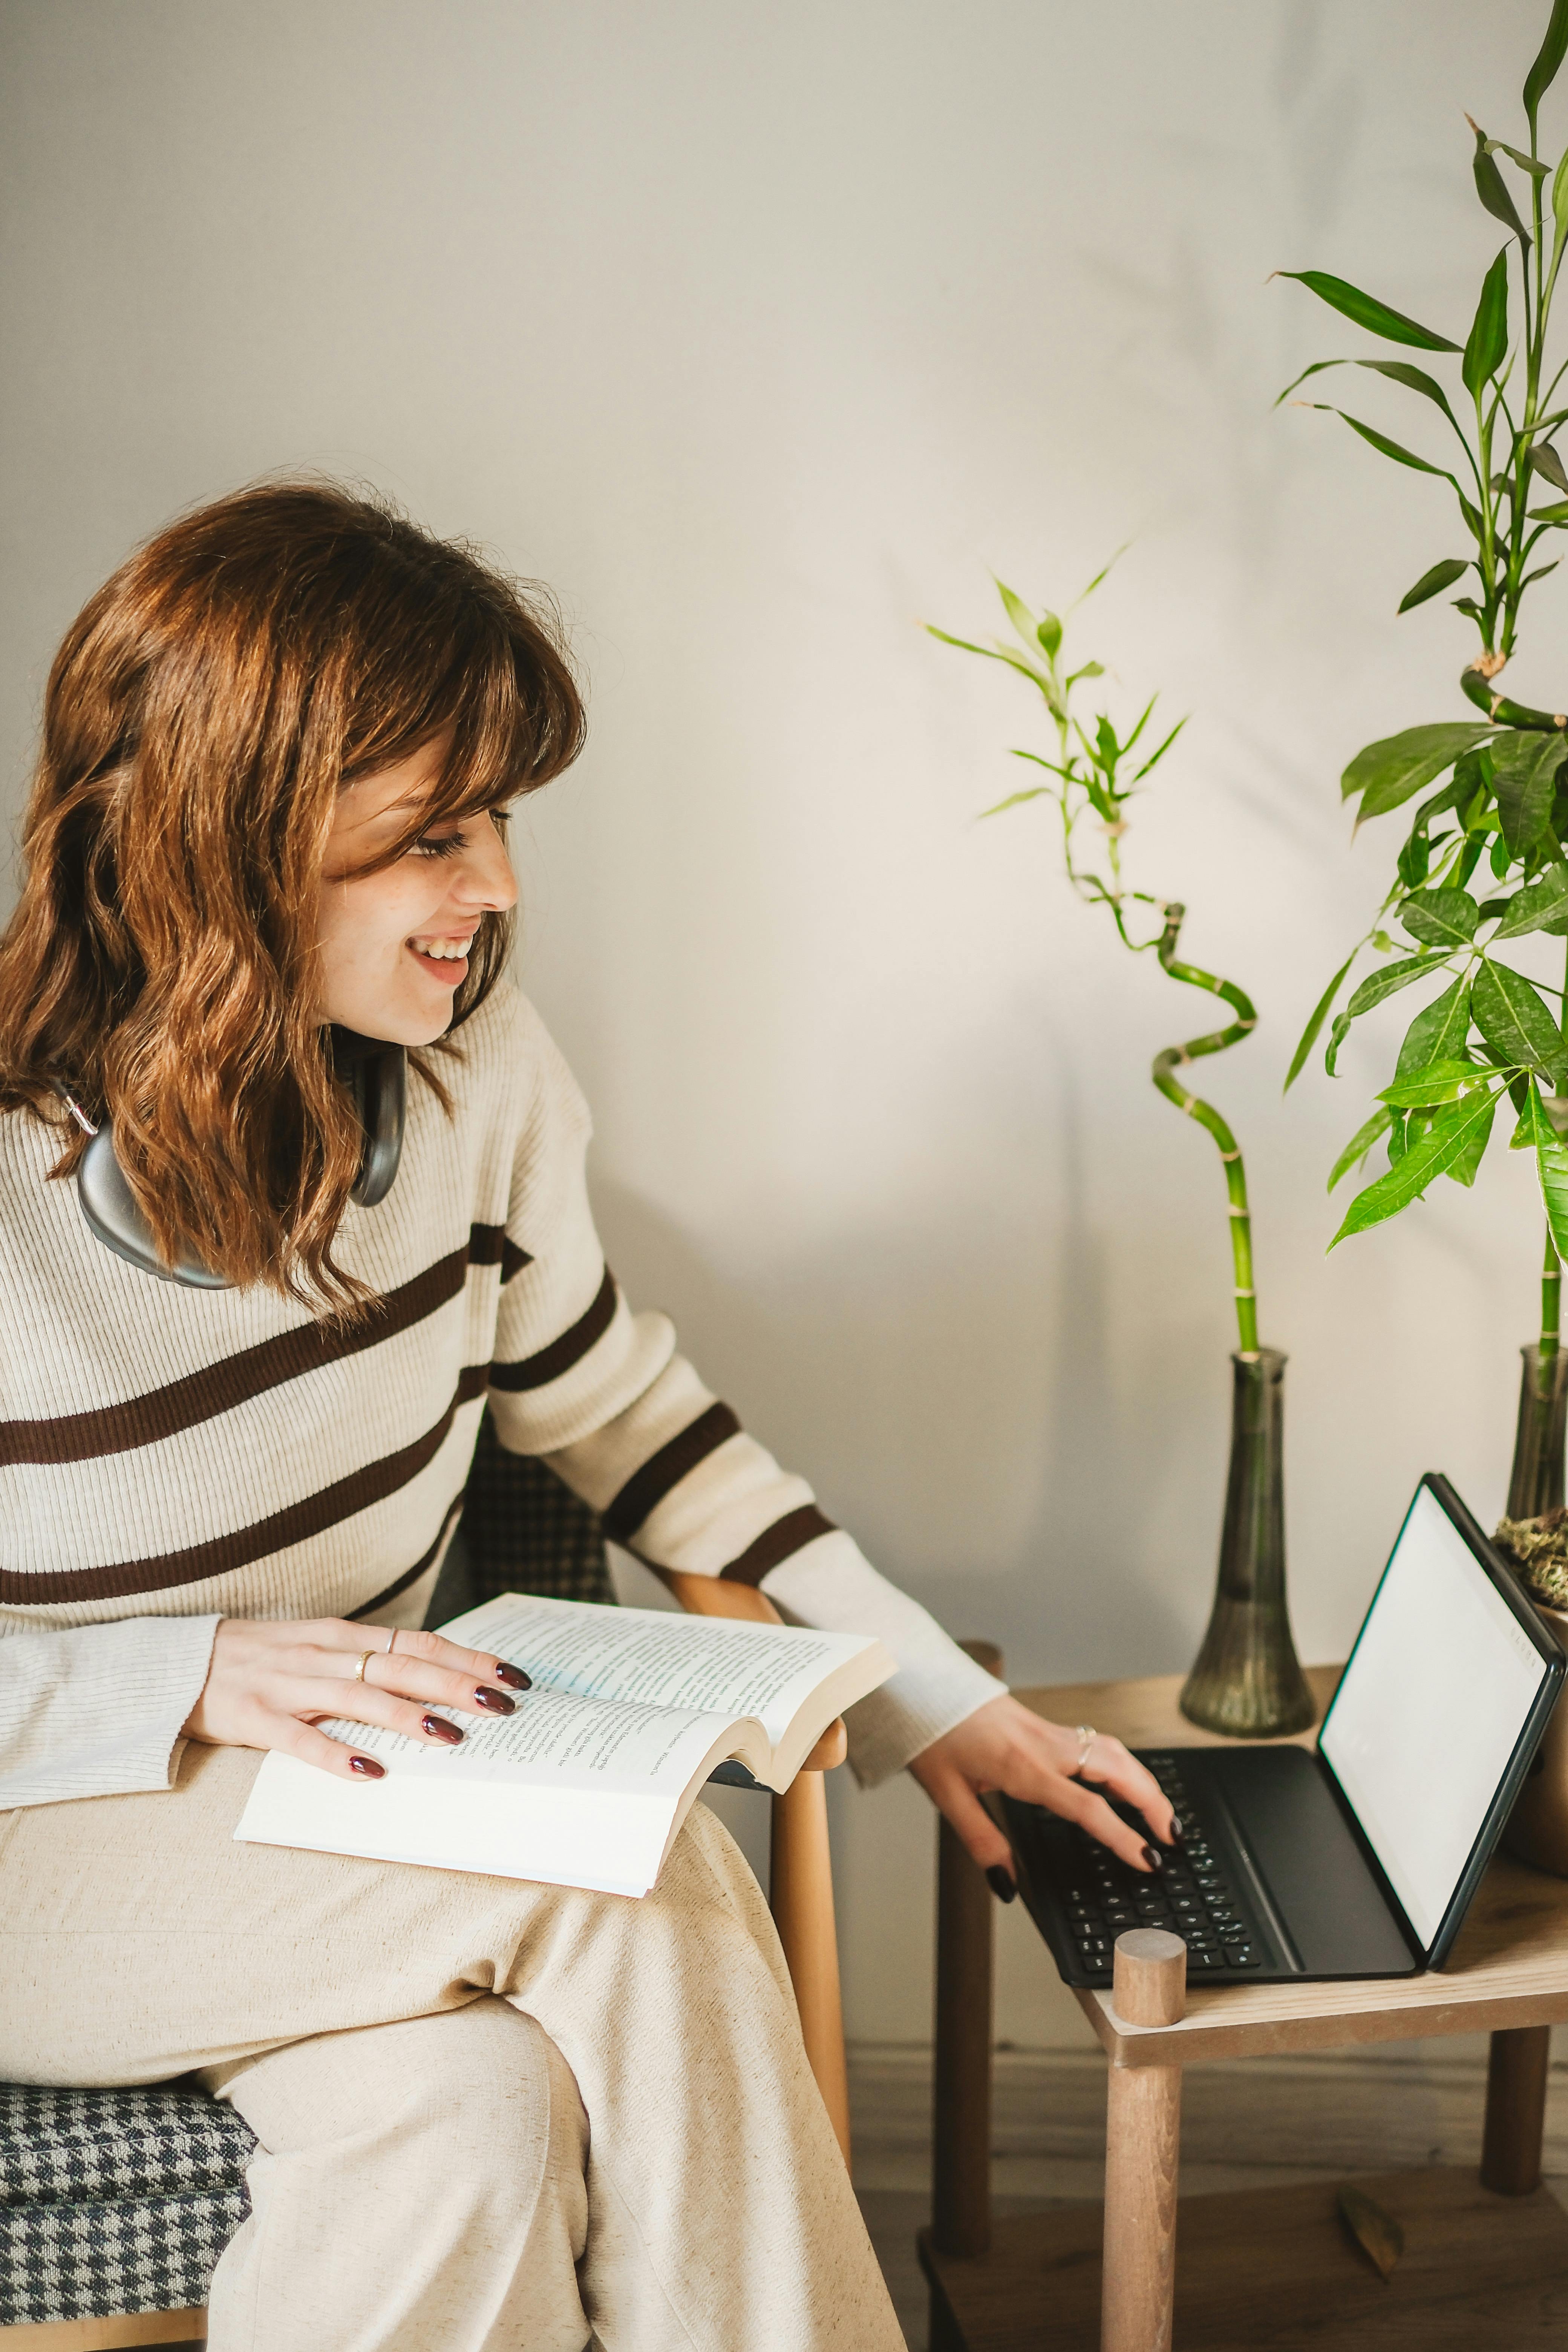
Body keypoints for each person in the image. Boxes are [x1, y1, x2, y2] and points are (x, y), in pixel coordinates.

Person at [0, 483, 1177, 2352]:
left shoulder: (472, 1080)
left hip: (345, 1815)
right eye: (427, 837)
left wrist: (927, 1695)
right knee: (647, 1883)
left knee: (457, 2127)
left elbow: (630, 1415)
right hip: (39, 1837)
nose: (496, 889)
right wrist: (182, 1674)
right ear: (208, 847)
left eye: (498, 822)